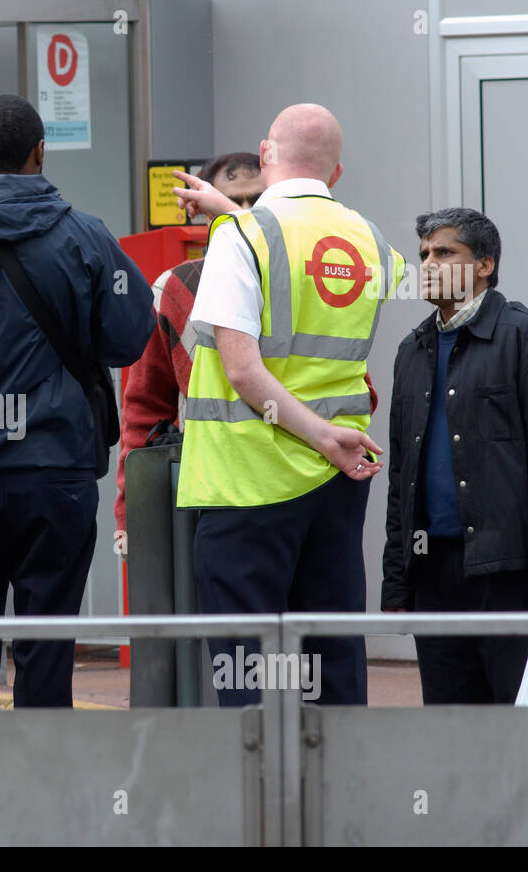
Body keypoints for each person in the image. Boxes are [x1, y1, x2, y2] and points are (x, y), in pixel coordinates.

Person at [0, 95, 154, 708]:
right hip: (58, 467)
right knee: (48, 642)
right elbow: (128, 338)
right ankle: (45, 782)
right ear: (39, 153)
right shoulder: (89, 236)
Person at [173, 103, 405, 706]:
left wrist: (231, 221)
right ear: (337, 173)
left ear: (266, 154)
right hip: (337, 480)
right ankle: (334, 794)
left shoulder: (242, 240)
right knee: (330, 661)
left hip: (245, 481)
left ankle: (263, 798)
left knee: (248, 673)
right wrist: (330, 439)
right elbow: (306, 257)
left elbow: (243, 369)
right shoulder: (370, 241)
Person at [382, 208, 528, 703]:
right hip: (433, 574)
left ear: (485, 265)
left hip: (506, 576)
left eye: (445, 252)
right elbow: (401, 477)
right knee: (452, 729)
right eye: (424, 253)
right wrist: (398, 586)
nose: (428, 263)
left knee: (516, 730)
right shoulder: (413, 349)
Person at [114, 152, 264, 544]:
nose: (245, 210)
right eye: (233, 200)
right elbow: (144, 409)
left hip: (300, 485)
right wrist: (129, 513)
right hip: (211, 490)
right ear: (203, 210)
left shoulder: (299, 278)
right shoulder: (175, 289)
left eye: (257, 200)